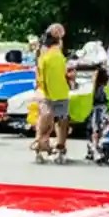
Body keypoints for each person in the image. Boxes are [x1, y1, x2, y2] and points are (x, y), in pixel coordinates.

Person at [34, 23, 71, 162]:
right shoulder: (58, 56)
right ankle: (60, 150)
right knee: (61, 122)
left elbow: (40, 75)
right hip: (59, 93)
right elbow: (63, 74)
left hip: (45, 92)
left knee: (44, 120)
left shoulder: (43, 55)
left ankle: (40, 147)